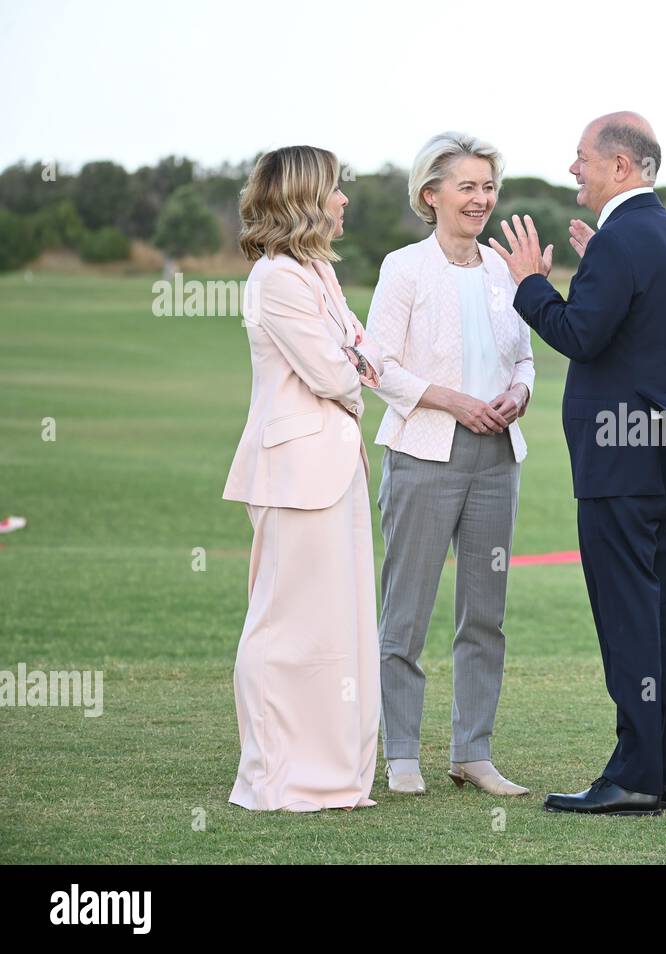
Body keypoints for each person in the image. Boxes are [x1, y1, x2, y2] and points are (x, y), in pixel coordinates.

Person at [490, 112, 666, 816]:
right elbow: (638, 330)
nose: (572, 169)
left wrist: (530, 284)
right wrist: (599, 263)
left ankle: (636, 774)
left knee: (627, 621)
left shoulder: (624, 242)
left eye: (582, 157)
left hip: (621, 461)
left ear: (621, 166)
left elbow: (579, 334)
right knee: (660, 616)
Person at [365, 132, 535, 798]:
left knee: (485, 614)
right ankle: (401, 754)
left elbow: (524, 356)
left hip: (498, 461)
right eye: (467, 186)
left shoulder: (502, 269)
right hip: (423, 456)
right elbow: (377, 363)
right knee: (405, 612)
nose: (481, 199)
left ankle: (473, 753)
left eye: (488, 186)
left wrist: (519, 393)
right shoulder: (403, 268)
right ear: (430, 193)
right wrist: (454, 402)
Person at [223, 145, 385, 812]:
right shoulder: (277, 278)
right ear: (302, 199)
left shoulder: (316, 270)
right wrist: (352, 371)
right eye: (336, 189)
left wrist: (354, 364)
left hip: (335, 463)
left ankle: (328, 769)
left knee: (337, 625)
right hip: (295, 470)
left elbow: (364, 352)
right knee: (285, 624)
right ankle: (277, 774)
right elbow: (336, 372)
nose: (344, 200)